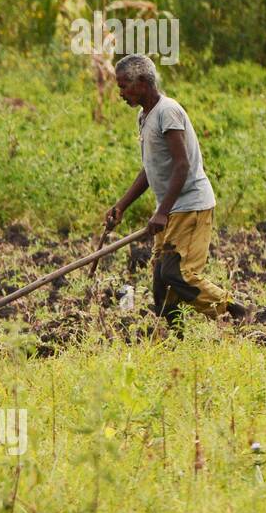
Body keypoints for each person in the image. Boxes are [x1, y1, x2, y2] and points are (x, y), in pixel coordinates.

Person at [104, 54, 248, 326]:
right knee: (160, 279)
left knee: (177, 274)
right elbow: (150, 168)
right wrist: (121, 205)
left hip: (190, 206)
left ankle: (233, 309)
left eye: (124, 86)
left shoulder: (167, 111)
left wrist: (162, 212)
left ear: (144, 83)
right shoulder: (145, 116)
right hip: (171, 209)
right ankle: (173, 335)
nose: (121, 93)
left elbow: (183, 165)